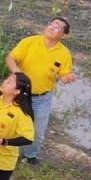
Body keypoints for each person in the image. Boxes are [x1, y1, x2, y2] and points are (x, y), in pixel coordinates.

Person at [6, 17, 76, 166]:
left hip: (41, 98)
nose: (52, 27)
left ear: (63, 35)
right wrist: (17, 72)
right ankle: (12, 153)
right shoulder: (30, 41)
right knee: (14, 124)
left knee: (37, 131)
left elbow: (64, 74)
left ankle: (30, 154)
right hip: (20, 93)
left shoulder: (63, 53)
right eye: (51, 23)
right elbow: (10, 58)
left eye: (57, 27)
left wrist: (66, 78)